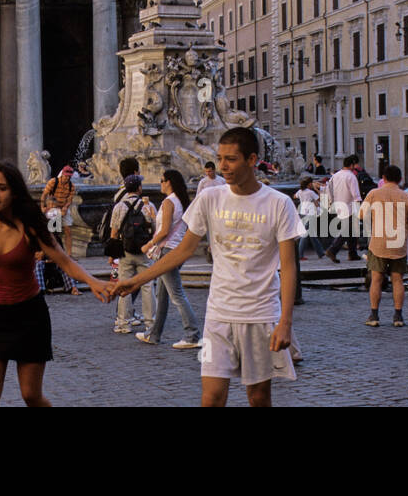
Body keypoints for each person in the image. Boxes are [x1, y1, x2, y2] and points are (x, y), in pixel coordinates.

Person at [114, 127, 303, 407]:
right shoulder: (210, 199)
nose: (222, 166)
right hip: (217, 317)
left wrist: (285, 322)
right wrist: (139, 279)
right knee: (211, 398)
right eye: (220, 158)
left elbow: (288, 266)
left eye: (231, 159)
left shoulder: (279, 203)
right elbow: (183, 250)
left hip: (259, 315)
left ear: (252, 160)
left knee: (259, 397)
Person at [0, 161, 111, 406]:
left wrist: (92, 281)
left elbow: (62, 259)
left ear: (14, 191)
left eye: (1, 188)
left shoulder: (31, 224)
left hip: (30, 316)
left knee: (31, 395)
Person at [136, 169, 200, 348]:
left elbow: (164, 231)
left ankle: (193, 335)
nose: (160, 183)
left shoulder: (169, 201)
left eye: (162, 180)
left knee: (176, 294)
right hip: (175, 249)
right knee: (162, 294)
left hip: (167, 251)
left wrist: (148, 245)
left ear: (169, 182)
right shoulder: (179, 201)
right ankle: (154, 334)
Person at [360, 164, 408, 327]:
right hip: (398, 243)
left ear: (384, 178)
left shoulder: (374, 193)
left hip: (378, 242)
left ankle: (374, 315)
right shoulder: (407, 196)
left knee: (376, 279)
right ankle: (398, 316)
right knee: (397, 280)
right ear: (400, 179)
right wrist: (407, 229)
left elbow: (361, 215)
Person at [108, 174, 156, 334]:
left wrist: (112, 254)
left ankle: (123, 322)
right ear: (139, 188)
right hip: (144, 251)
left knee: (124, 284)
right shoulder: (147, 205)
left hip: (125, 250)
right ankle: (151, 323)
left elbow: (114, 232)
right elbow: (155, 228)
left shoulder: (119, 206)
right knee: (148, 286)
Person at [40, 165, 81, 295]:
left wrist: (64, 209)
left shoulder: (71, 186)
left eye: (69, 176)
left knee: (67, 229)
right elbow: (44, 194)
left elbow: (69, 200)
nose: (67, 178)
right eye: (66, 176)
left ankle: (68, 253)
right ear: (62, 174)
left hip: (62, 207)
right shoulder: (53, 182)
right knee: (51, 230)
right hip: (51, 206)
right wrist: (44, 206)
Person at [326, 155, 363, 262]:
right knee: (347, 230)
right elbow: (356, 195)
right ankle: (332, 250)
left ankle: (353, 254)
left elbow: (329, 190)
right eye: (355, 164)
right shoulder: (351, 177)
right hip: (350, 207)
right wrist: (359, 207)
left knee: (352, 231)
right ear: (352, 164)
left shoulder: (335, 176)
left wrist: (332, 202)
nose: (355, 167)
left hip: (339, 206)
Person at [295, 176, 326, 260]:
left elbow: (295, 196)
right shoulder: (310, 192)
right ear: (309, 184)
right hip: (310, 213)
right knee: (305, 235)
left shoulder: (300, 191)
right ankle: (299, 255)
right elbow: (320, 198)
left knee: (312, 234)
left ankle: (320, 253)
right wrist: (316, 190)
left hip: (302, 212)